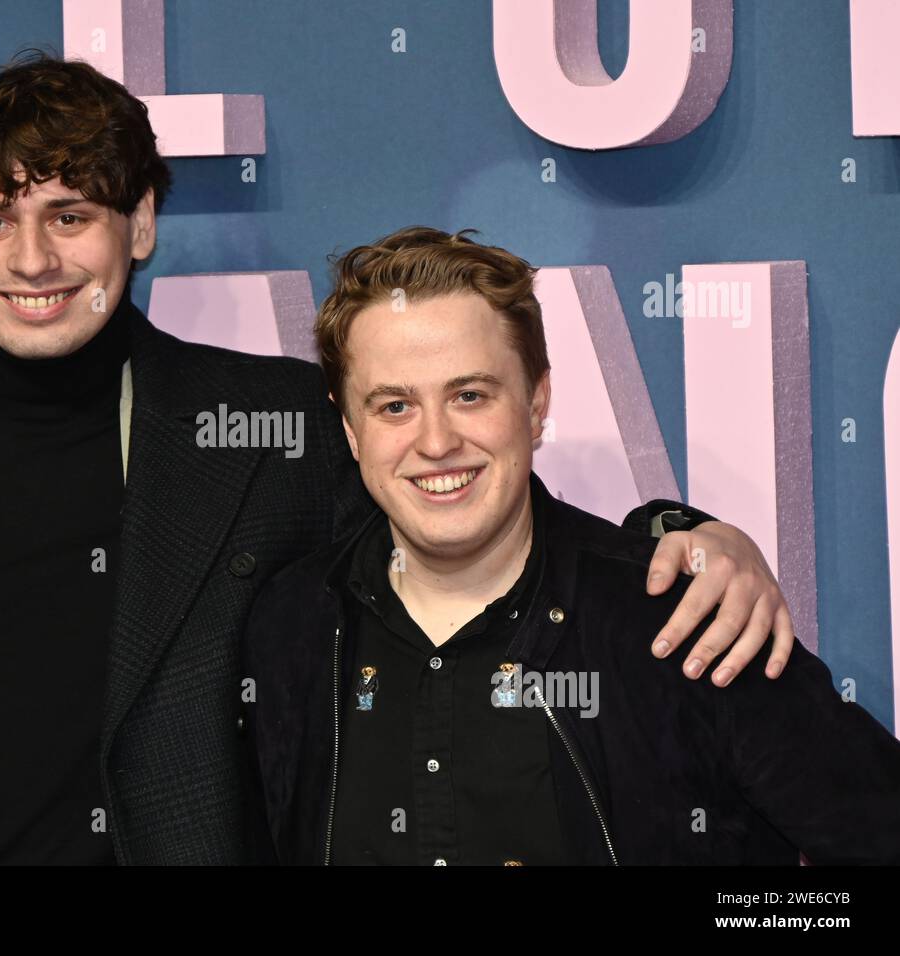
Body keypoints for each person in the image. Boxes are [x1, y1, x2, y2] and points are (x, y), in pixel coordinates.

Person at [0, 51, 793, 866]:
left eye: (71, 214)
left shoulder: (268, 428)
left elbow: (474, 529)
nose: (34, 258)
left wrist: (676, 536)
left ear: (139, 223)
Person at [240, 226, 900, 865]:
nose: (436, 442)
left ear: (536, 403)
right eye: (394, 407)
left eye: (470, 395)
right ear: (350, 429)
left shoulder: (684, 619)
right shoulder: (290, 625)